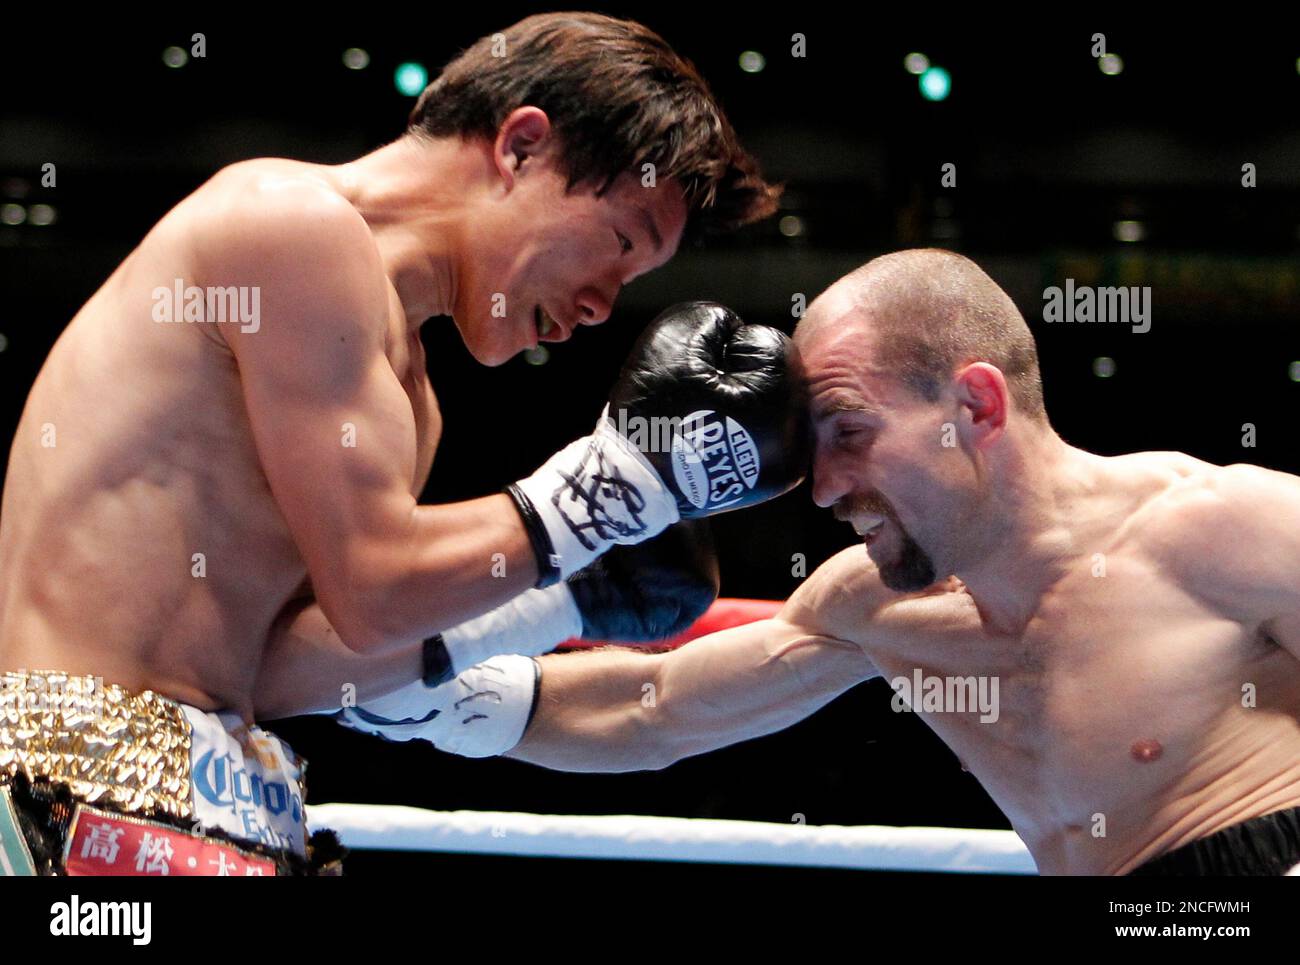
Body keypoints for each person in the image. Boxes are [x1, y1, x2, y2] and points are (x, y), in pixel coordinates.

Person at [0, 13, 799, 876]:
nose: (606, 302)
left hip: (223, 794)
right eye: (619, 243)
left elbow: (277, 670)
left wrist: (560, 601)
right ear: (522, 146)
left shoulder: (412, 403)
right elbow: (376, 590)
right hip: (73, 789)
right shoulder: (287, 225)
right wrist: (605, 494)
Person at [345, 249, 1300, 876]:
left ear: (974, 407)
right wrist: (439, 700)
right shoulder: (874, 606)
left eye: (849, 431)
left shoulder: (1221, 527)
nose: (824, 486)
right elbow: (658, 710)